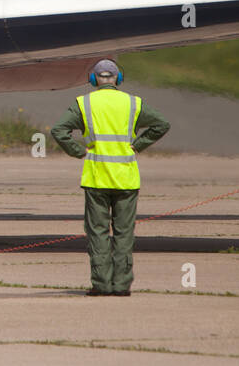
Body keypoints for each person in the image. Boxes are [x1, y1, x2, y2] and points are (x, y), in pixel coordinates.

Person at [50, 59, 169, 296]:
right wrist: (137, 146)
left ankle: (101, 284)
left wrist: (78, 151)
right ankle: (122, 285)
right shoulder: (133, 103)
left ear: (93, 79)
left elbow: (58, 130)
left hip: (97, 178)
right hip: (126, 178)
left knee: (98, 232)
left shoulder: (84, 103)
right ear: (118, 79)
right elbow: (161, 124)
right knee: (124, 233)